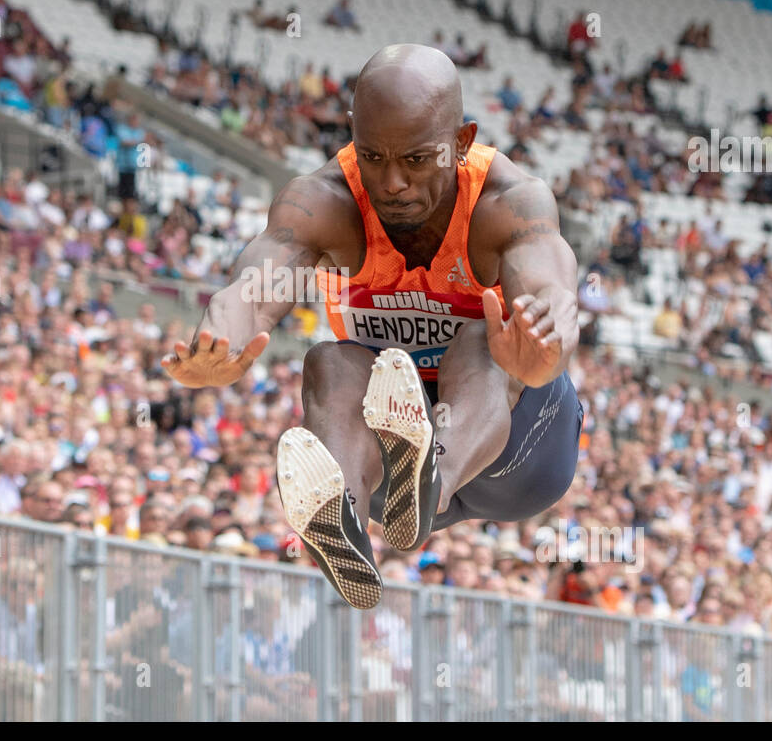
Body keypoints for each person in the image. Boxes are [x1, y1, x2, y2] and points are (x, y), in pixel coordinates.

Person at [162, 43, 583, 609]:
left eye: (416, 160)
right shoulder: (325, 200)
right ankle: (345, 526)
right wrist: (222, 333)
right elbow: (256, 288)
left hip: (516, 453)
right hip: (391, 464)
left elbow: (550, 292)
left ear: (461, 143)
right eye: (373, 157)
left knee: (485, 335)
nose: (391, 184)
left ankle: (434, 473)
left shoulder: (506, 202)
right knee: (329, 361)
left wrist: (544, 348)